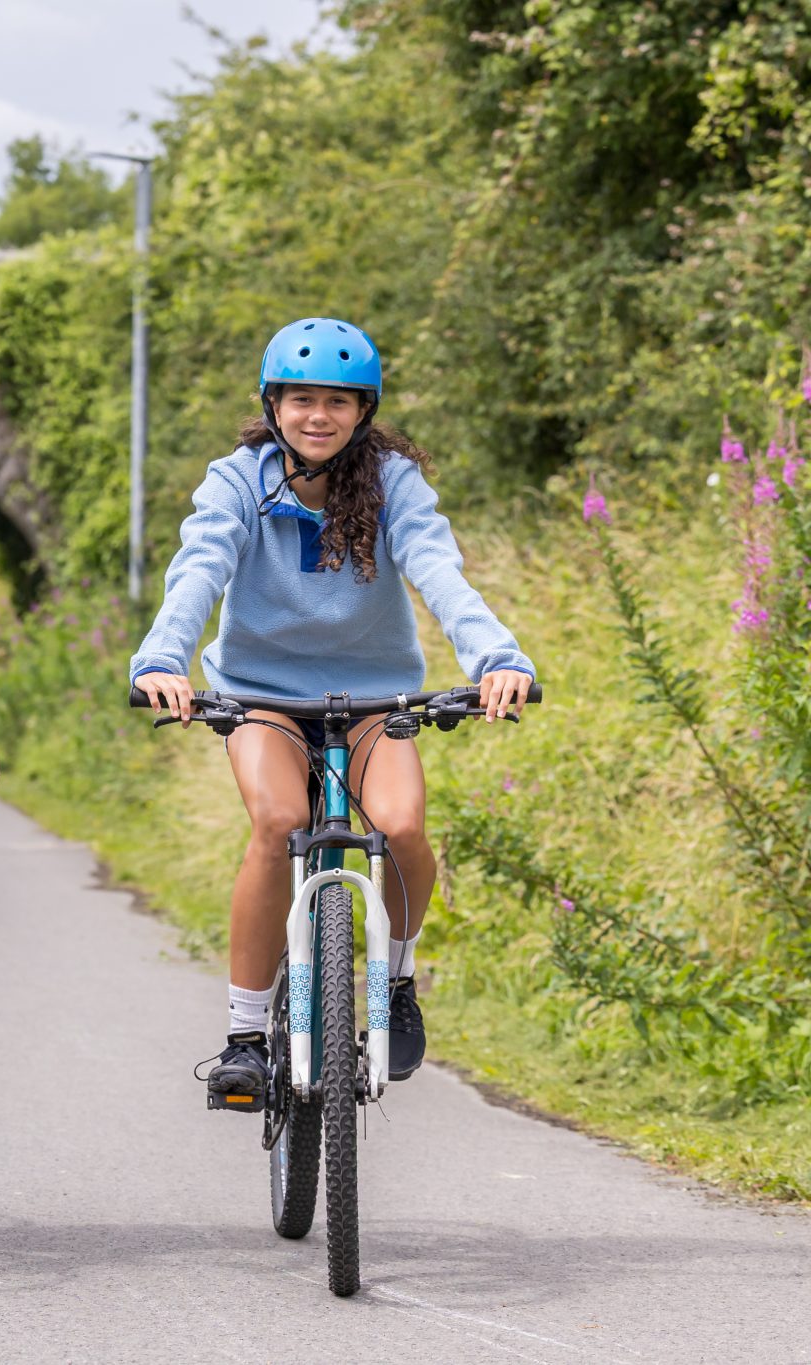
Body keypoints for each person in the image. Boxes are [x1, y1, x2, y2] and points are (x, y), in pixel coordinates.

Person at [128, 317, 534, 1107]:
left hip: (373, 696)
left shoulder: (392, 483)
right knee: (280, 822)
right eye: (302, 399)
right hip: (261, 694)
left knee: (404, 825)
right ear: (273, 404)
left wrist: (497, 657)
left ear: (364, 410)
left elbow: (438, 570)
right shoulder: (238, 479)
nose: (319, 416)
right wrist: (160, 659)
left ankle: (395, 979)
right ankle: (245, 1036)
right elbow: (200, 569)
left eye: (338, 402)